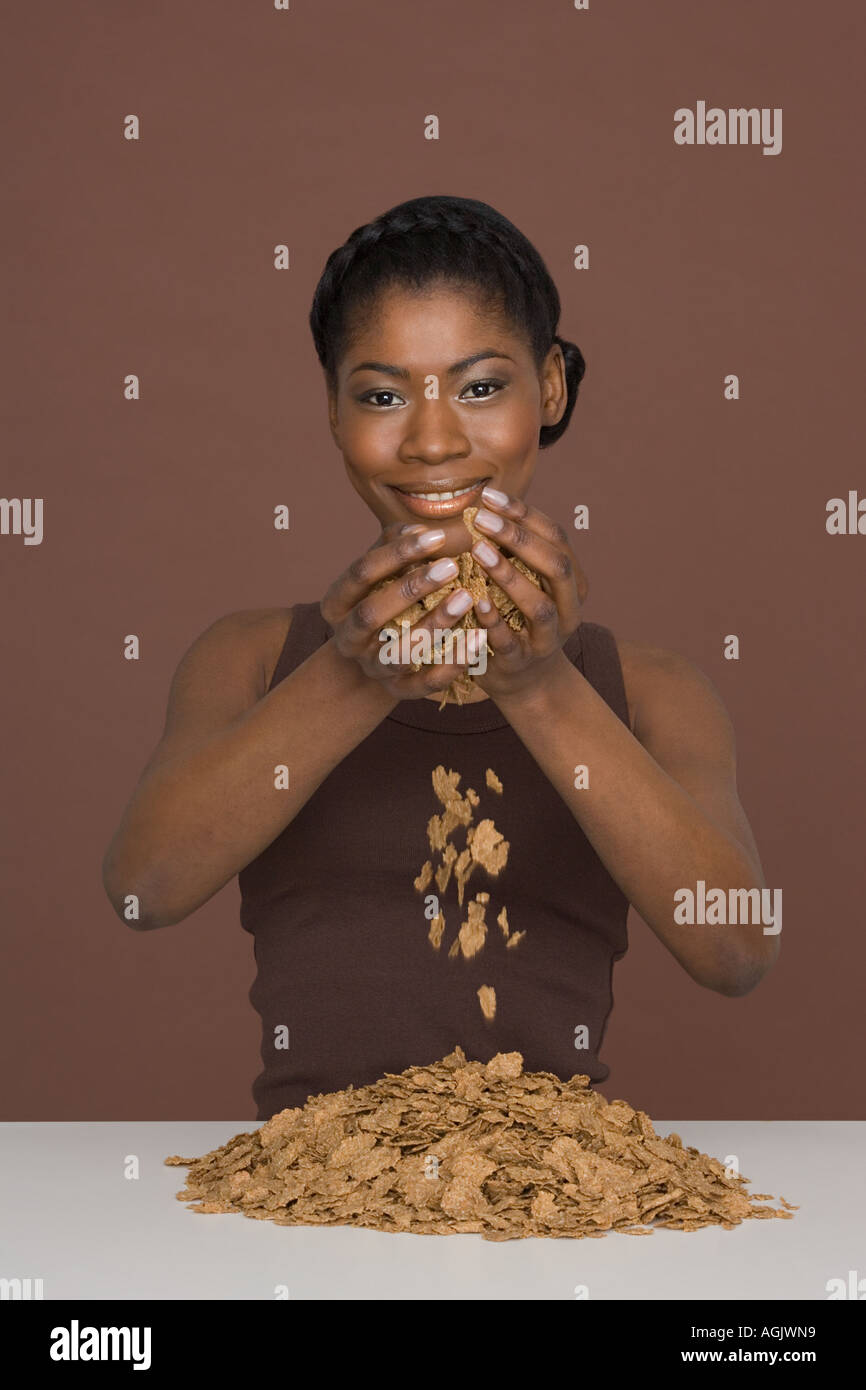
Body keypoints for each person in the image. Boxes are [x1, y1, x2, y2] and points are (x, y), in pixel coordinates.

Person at [102, 195, 778, 1119]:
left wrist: (539, 688)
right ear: (334, 414)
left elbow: (737, 950)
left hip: (549, 1207)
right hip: (309, 1208)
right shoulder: (254, 658)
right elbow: (144, 891)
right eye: (382, 395)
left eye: (480, 387)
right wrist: (354, 674)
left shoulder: (653, 691)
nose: (430, 440)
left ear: (551, 389)